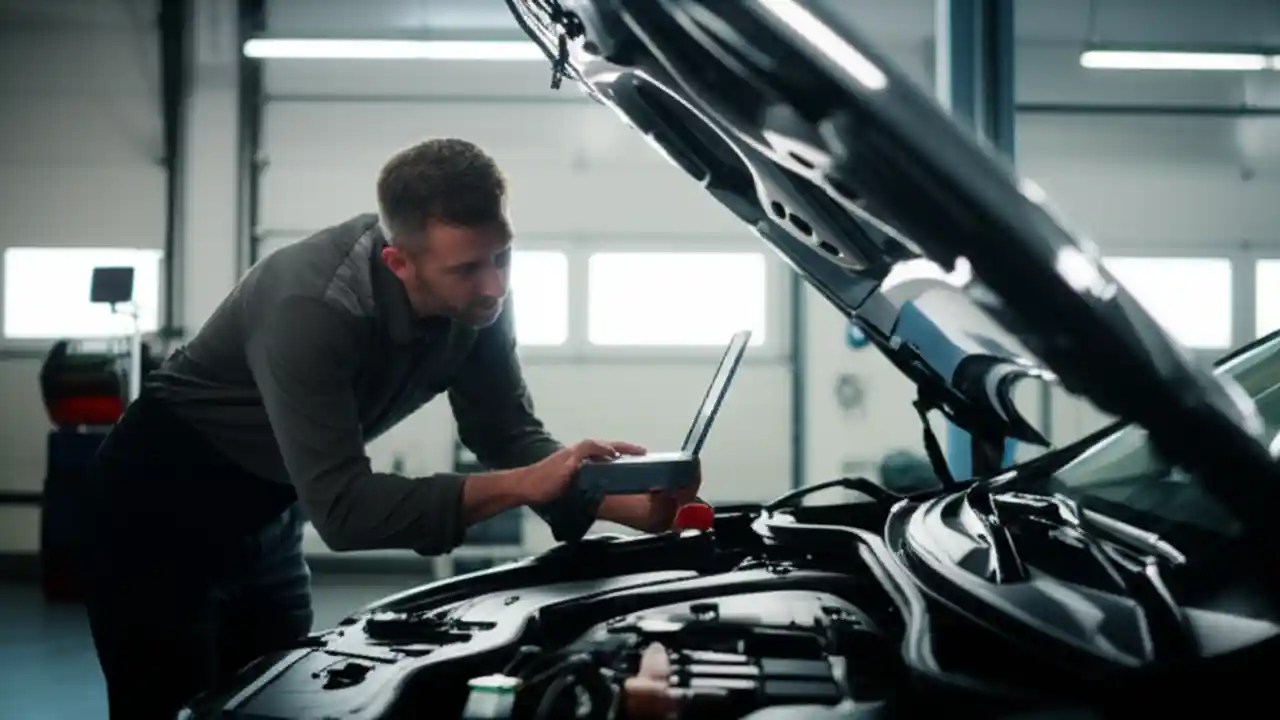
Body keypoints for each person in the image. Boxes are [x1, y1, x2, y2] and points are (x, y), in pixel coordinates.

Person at [81, 137, 700, 719]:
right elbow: (346, 512)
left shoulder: (478, 297)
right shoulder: (311, 306)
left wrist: (624, 504)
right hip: (157, 513)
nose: (495, 285)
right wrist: (521, 485)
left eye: (503, 255)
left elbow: (505, 433)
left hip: (270, 513)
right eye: (469, 268)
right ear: (398, 261)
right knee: (170, 705)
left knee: (278, 702)